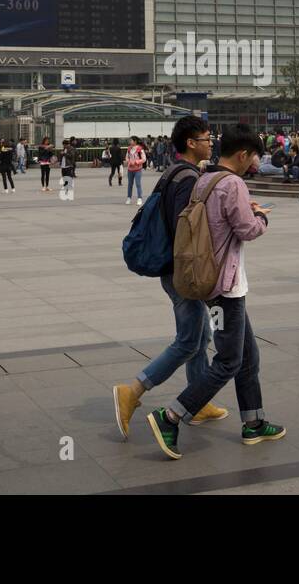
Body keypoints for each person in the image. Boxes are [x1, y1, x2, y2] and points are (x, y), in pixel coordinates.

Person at [144, 124, 284, 460]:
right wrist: (262, 216)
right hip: (226, 287)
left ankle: (253, 422)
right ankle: (171, 415)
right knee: (228, 361)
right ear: (242, 154)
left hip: (213, 282)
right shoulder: (232, 183)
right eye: (253, 158)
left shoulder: (204, 177)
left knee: (248, 357)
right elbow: (247, 230)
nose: (254, 164)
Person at [112, 117, 228, 439]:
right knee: (189, 340)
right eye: (206, 137)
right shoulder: (188, 179)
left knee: (200, 336)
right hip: (180, 272)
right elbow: (184, 229)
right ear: (191, 143)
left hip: (171, 269)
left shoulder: (174, 172)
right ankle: (132, 390)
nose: (211, 142)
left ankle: (199, 400)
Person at [124, 136, 147, 205]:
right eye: (130, 141)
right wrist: (129, 162)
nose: (130, 142)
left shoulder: (140, 149)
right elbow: (126, 158)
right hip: (130, 169)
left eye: (131, 140)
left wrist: (136, 162)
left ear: (135, 141)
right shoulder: (129, 149)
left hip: (138, 169)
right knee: (130, 184)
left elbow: (144, 159)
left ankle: (139, 198)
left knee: (138, 184)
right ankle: (129, 198)